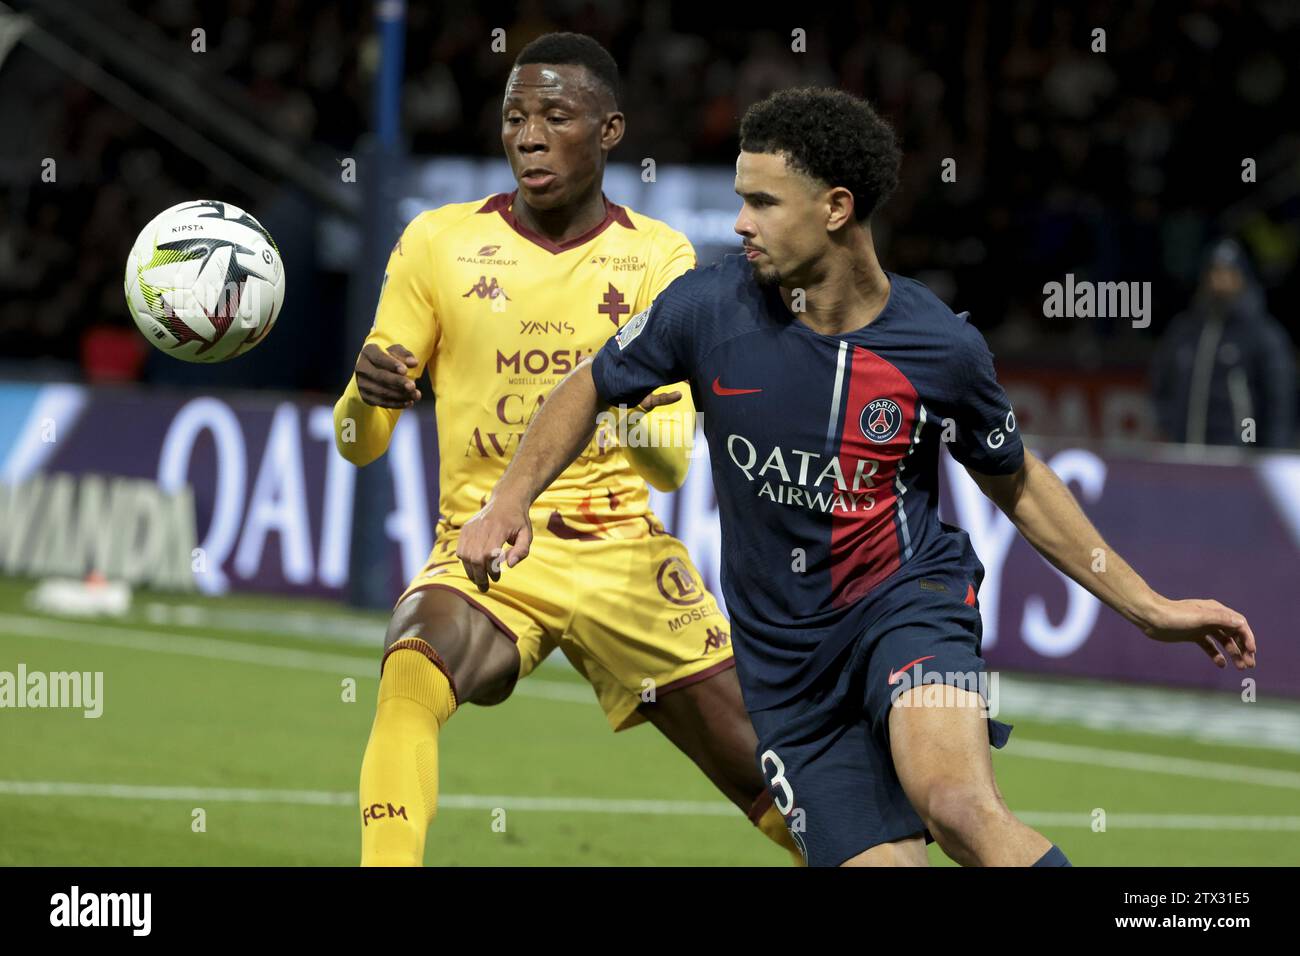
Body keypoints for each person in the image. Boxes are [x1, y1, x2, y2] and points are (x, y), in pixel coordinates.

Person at [456, 86, 1258, 867]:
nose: (740, 223)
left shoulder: (939, 347)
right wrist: (509, 501)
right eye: (742, 198)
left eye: (764, 202)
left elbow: (1014, 478)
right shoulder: (704, 310)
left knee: (958, 806)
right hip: (785, 669)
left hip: (905, 605)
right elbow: (592, 382)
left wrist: (1147, 607)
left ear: (836, 208)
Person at [335, 32, 801, 866]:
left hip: (621, 553)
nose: (529, 135)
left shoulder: (658, 256)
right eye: (515, 116)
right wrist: (361, 399)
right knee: (411, 662)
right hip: (487, 551)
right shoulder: (436, 242)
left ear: (609, 131)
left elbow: (668, 463)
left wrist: (610, 406)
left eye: (556, 115)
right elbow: (359, 444)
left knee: (783, 786)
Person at [1152, 238, 1296, 448]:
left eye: (1229, 273)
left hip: (1239, 459)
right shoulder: (1185, 329)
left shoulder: (1262, 334)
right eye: (1215, 272)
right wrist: (1170, 426)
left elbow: (1279, 401)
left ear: (1243, 278)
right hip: (1186, 454)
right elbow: (1160, 385)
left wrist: (1262, 450)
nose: (1220, 281)